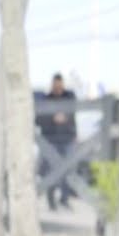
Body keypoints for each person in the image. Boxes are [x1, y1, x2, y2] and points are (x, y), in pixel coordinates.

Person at [36, 72, 79, 210]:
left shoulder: (69, 96)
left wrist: (65, 118)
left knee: (68, 169)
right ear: (52, 85)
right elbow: (39, 120)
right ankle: (51, 199)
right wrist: (53, 118)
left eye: (60, 86)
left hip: (67, 138)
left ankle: (64, 199)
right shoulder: (46, 99)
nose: (58, 89)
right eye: (56, 86)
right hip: (51, 140)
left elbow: (73, 112)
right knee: (52, 170)